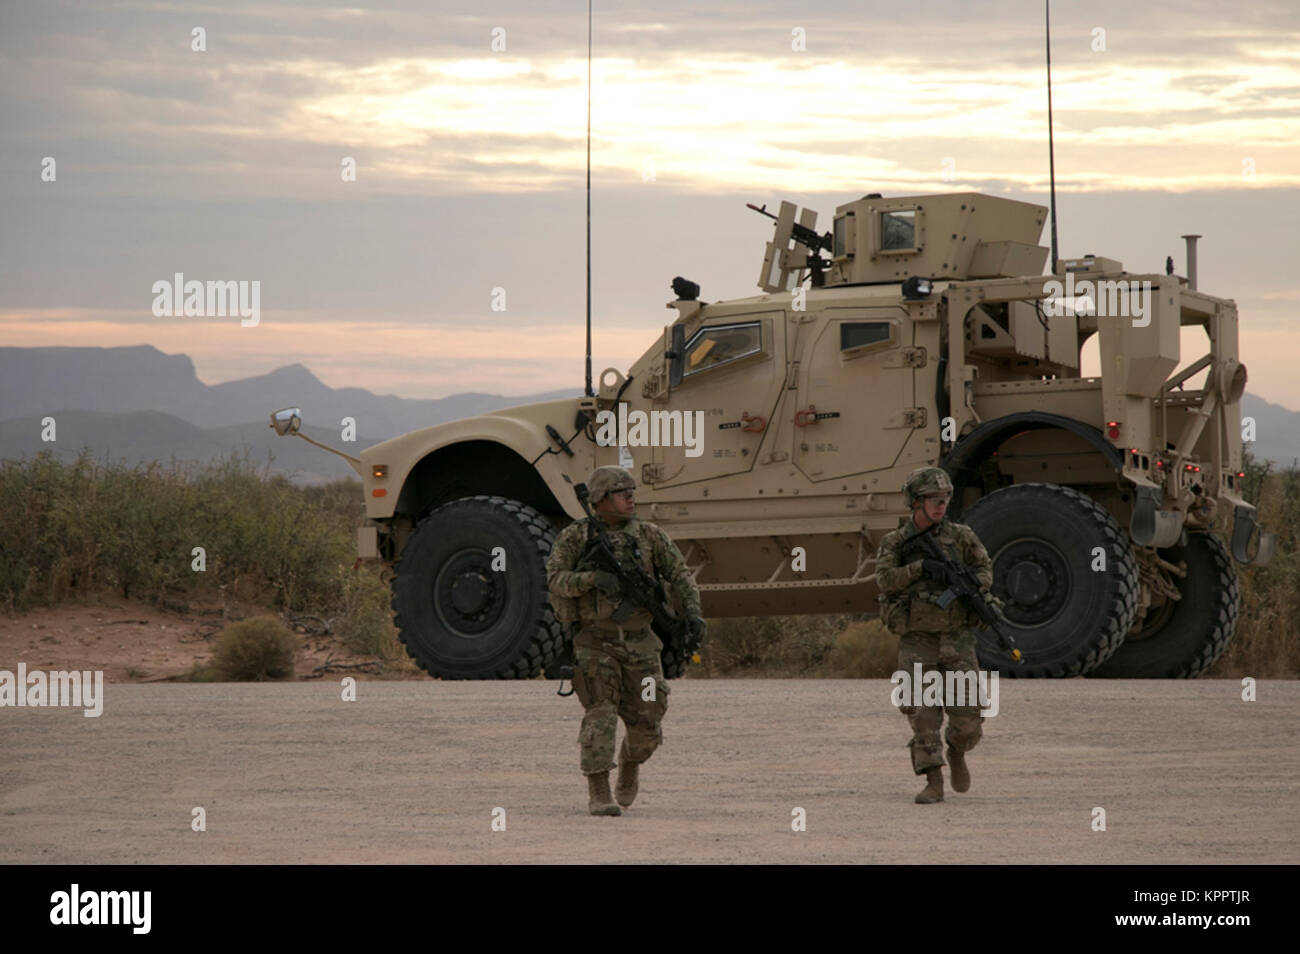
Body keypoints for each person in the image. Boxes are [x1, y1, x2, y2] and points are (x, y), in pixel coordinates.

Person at [546, 466, 705, 816]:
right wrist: (592, 579)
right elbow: (556, 579)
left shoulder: (650, 536)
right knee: (600, 714)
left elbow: (680, 575)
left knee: (648, 722)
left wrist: (692, 613)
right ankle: (599, 791)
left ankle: (630, 762)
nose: (630, 497)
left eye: (632, 490)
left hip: (642, 645)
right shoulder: (576, 537)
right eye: (621, 492)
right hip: (595, 642)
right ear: (600, 500)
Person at [875, 466, 995, 804]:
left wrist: (971, 585)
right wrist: (921, 569)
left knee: (969, 717)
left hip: (957, 639)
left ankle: (957, 751)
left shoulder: (961, 536)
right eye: (932, 500)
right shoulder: (896, 542)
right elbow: (884, 580)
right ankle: (933, 782)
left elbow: (986, 569)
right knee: (922, 715)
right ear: (915, 503)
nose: (940, 506)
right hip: (918, 640)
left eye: (944, 499)